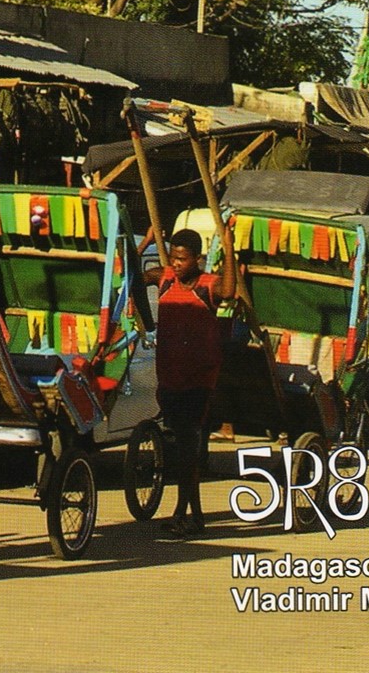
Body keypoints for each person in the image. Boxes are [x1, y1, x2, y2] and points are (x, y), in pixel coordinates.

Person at [141, 227, 235, 537]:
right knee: (183, 453)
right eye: (174, 258)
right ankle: (194, 517)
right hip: (169, 378)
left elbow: (229, 291)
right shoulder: (164, 278)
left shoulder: (208, 286)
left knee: (186, 450)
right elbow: (129, 273)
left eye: (183, 259)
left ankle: (184, 514)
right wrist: (147, 241)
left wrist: (229, 247)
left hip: (198, 381)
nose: (177, 264)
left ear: (197, 259)